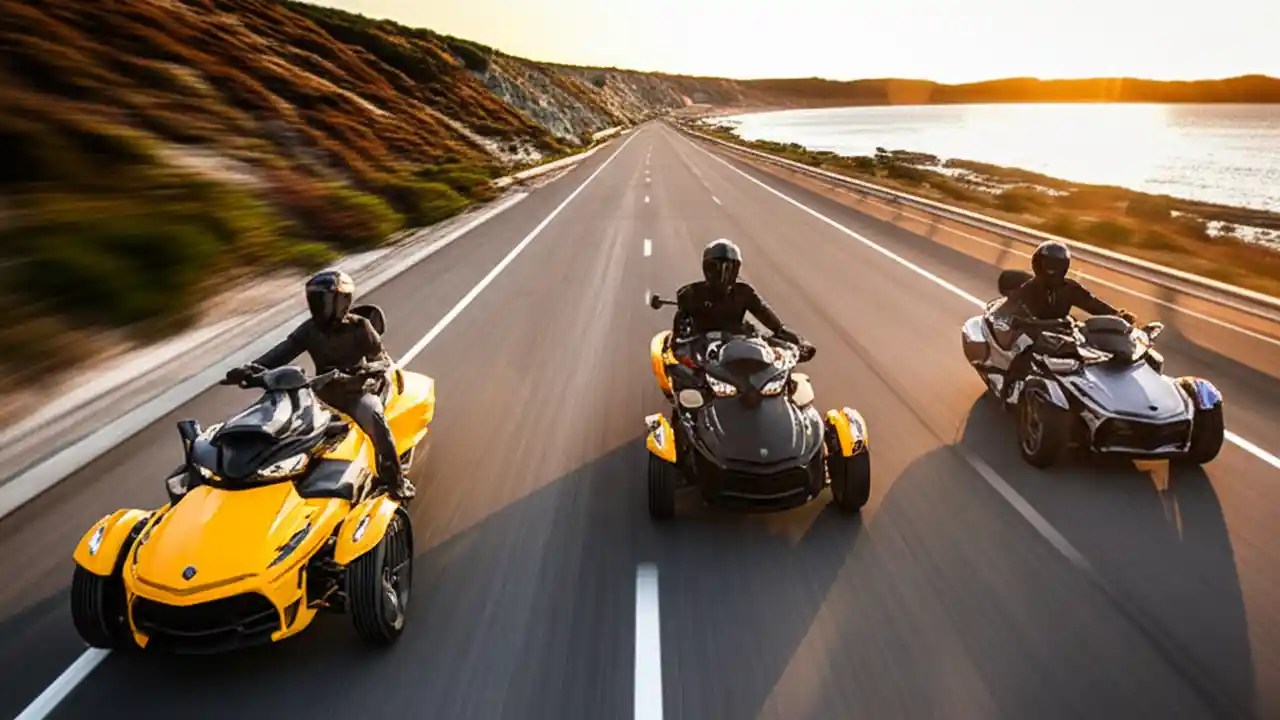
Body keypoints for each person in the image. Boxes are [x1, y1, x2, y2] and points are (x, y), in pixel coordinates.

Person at [225, 270, 414, 500]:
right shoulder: (310, 330)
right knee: (284, 429)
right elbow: (281, 353)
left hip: (355, 392)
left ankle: (396, 480)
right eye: (314, 300)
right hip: (319, 393)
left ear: (341, 302)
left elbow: (382, 360)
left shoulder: (360, 327)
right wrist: (251, 369)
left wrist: (358, 374)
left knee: (373, 415)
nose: (317, 306)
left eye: (323, 300)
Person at [1000, 241, 1135, 404]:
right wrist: (1016, 319)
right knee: (1024, 353)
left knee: (1092, 355)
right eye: (1048, 264)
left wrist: (1118, 315)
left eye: (1057, 264)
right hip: (1035, 331)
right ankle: (1008, 390)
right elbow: (1010, 308)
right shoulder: (1029, 288)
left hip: (1064, 331)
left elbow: (1093, 304)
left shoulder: (1070, 288)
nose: (1052, 269)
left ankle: (1097, 396)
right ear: (1038, 264)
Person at [672, 239, 815, 358]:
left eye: (729, 268)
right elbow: (678, 337)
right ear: (706, 268)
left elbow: (771, 321)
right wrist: (683, 348)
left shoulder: (745, 292)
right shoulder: (690, 294)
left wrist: (798, 342)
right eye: (715, 267)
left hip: (739, 346)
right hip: (703, 351)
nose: (723, 273)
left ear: (737, 269)